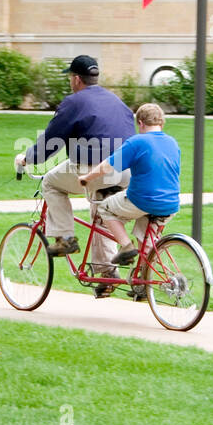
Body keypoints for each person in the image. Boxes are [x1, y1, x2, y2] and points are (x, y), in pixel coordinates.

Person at [14, 54, 134, 265]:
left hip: (94, 168)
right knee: (101, 213)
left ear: (77, 79)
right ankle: (106, 273)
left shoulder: (74, 102)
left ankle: (65, 238)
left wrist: (28, 158)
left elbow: (51, 141)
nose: (70, 81)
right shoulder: (116, 100)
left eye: (70, 77)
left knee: (50, 182)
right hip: (127, 169)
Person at [78, 103, 180, 296]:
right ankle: (141, 284)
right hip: (170, 204)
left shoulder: (137, 142)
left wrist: (86, 178)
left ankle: (125, 247)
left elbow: (108, 166)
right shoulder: (172, 143)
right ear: (162, 123)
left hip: (142, 200)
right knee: (146, 239)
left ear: (140, 123)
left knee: (104, 208)